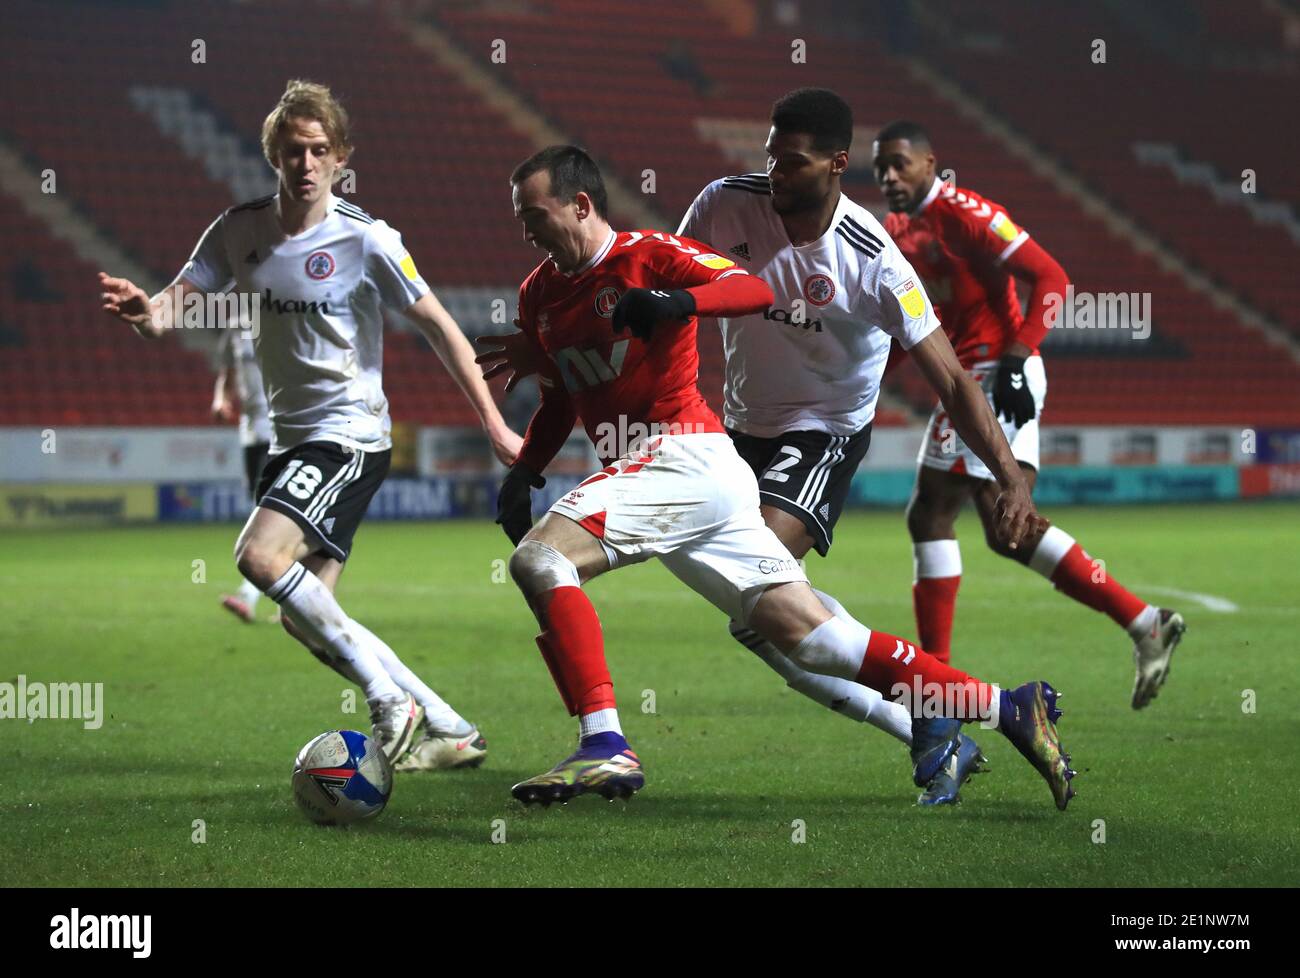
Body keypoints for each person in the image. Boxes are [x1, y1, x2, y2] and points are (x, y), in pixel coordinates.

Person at [486, 144, 1074, 811]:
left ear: (580, 203)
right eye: (519, 219)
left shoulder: (647, 254)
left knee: (541, 559)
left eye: (534, 215)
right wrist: (526, 470)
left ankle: (603, 743)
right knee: (813, 637)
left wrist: (675, 301)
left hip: (682, 458)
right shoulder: (538, 292)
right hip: (687, 480)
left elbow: (752, 289)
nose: (526, 231)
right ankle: (1007, 707)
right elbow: (563, 395)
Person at [99, 79, 520, 770]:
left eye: (320, 150)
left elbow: (441, 327)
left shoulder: (367, 239)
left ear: (341, 157)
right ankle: (450, 727)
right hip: (292, 441)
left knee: (257, 558)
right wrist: (147, 312)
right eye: (294, 150)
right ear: (273, 154)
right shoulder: (239, 231)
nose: (306, 164)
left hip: (349, 436)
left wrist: (496, 426)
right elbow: (174, 307)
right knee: (307, 618)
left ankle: (391, 701)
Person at [873, 120, 1185, 708]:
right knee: (1001, 531)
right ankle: (1144, 622)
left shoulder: (966, 213)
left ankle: (934, 681)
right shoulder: (895, 229)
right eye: (880, 168)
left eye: (899, 163)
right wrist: (870, 388)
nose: (889, 176)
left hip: (993, 374)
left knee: (938, 513)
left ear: (929, 163)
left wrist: (1018, 358)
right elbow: (905, 326)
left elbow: (1052, 276)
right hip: (970, 378)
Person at [211, 328, 273, 624]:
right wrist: (221, 399)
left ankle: (248, 594)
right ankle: (303, 598)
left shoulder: (284, 311)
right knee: (265, 507)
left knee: (268, 511)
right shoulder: (235, 329)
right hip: (251, 430)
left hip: (281, 426)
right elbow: (227, 375)